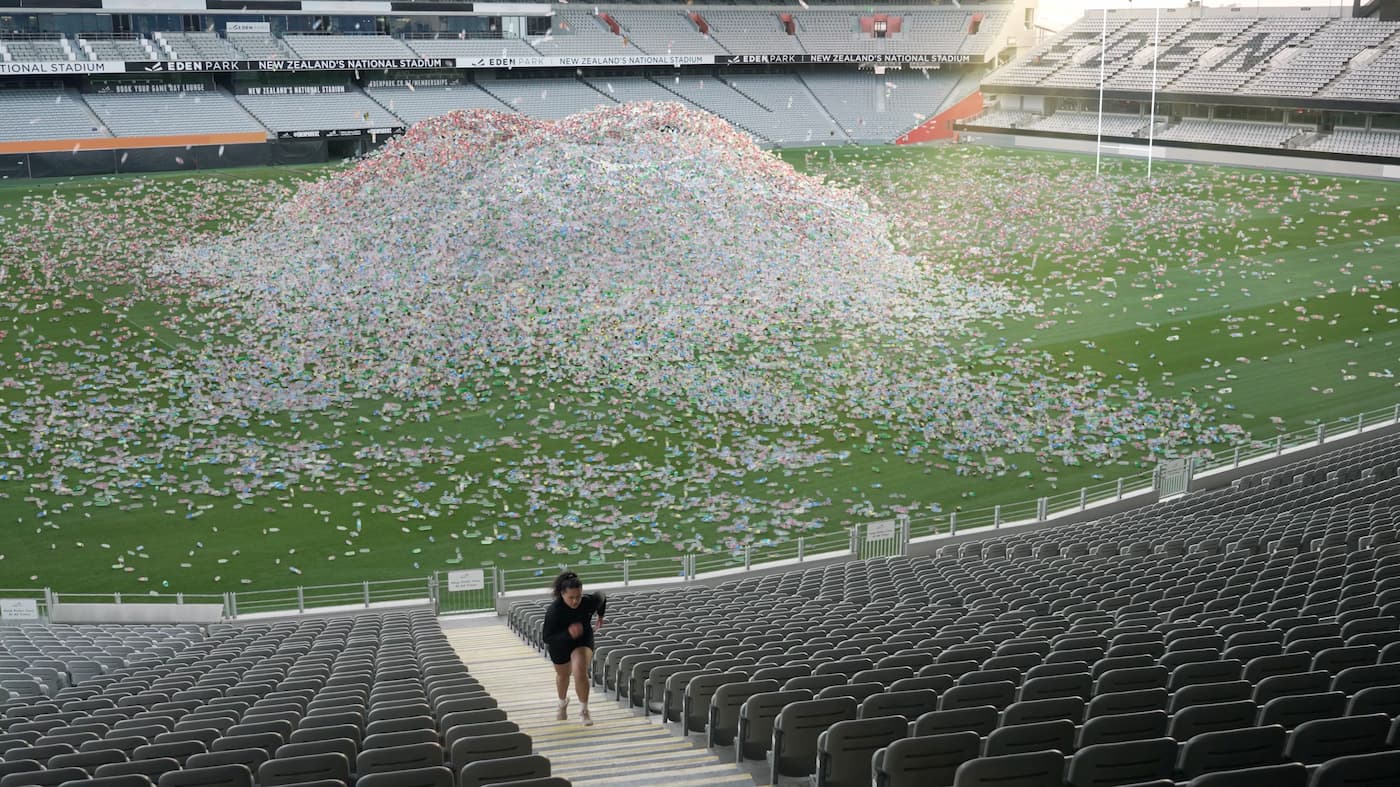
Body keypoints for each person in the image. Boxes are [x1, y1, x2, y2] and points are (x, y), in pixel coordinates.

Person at [541, 570, 607, 725]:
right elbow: (547, 638)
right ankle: (562, 703)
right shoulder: (554, 611)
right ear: (562, 594)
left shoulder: (588, 601)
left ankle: (584, 710)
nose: (575, 601)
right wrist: (568, 634)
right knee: (563, 676)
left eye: (578, 596)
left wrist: (600, 616)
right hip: (560, 643)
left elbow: (602, 597)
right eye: (571, 597)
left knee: (580, 671)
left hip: (582, 640)